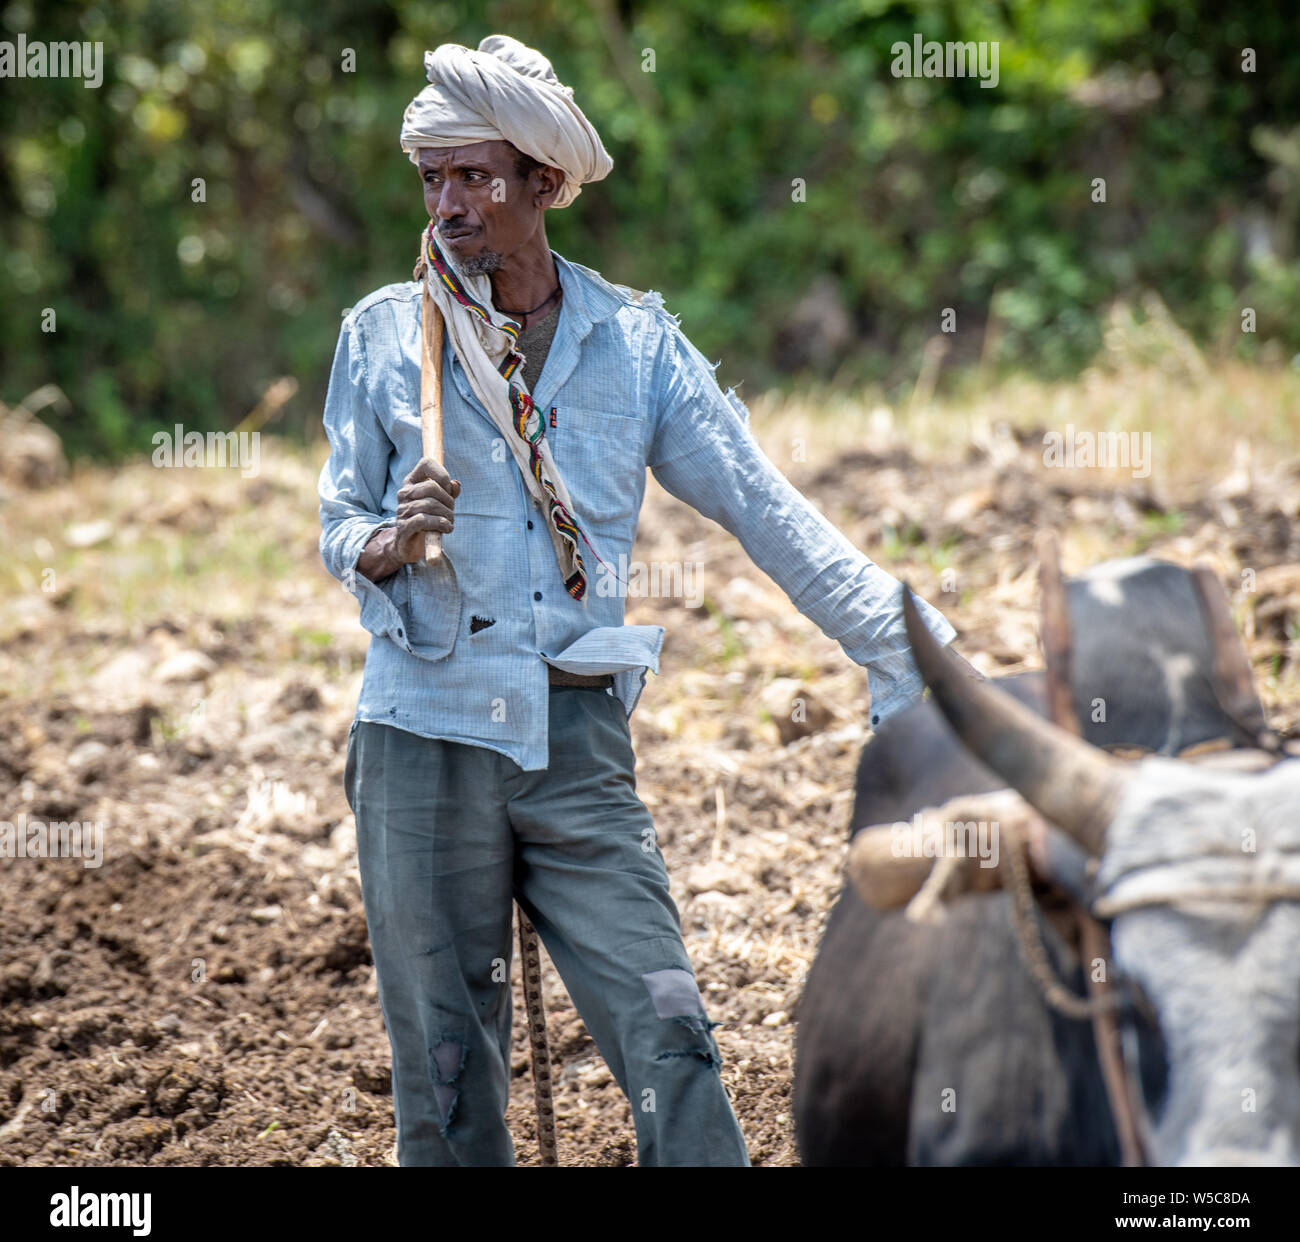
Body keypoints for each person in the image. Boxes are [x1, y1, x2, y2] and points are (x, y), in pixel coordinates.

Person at [318, 34, 971, 1167]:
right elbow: (335, 522)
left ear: (545, 184)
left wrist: (909, 643)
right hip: (421, 734)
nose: (449, 203)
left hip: (574, 742)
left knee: (669, 1031)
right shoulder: (384, 334)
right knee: (446, 1078)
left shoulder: (634, 346)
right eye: (433, 179)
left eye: (475, 176)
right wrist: (388, 535)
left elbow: (765, 512)